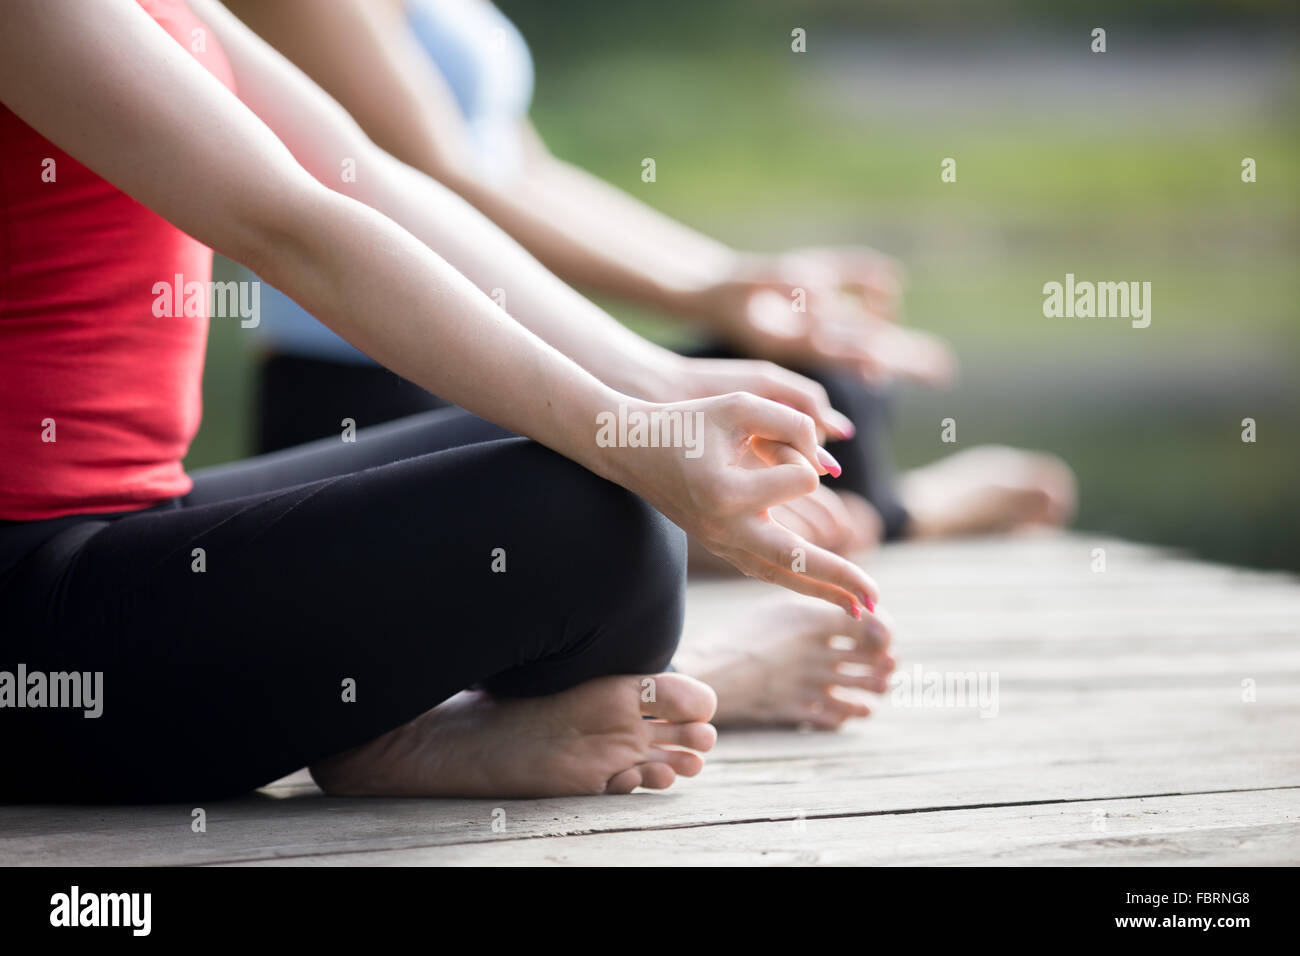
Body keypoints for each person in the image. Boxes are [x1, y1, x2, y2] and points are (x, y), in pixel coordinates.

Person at [0, 0, 889, 802]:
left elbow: (359, 178)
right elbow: (285, 224)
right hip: (26, 611)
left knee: (603, 483)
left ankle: (387, 733)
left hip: (126, 522)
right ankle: (701, 676)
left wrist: (650, 383)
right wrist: (631, 430)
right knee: (589, 521)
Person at [225, 0, 1077, 547]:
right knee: (606, 517)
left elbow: (530, 174)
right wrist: (695, 303)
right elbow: (440, 180)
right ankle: (900, 516)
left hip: (516, 359)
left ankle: (837, 518)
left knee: (816, 387)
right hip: (374, 386)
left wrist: (738, 283)